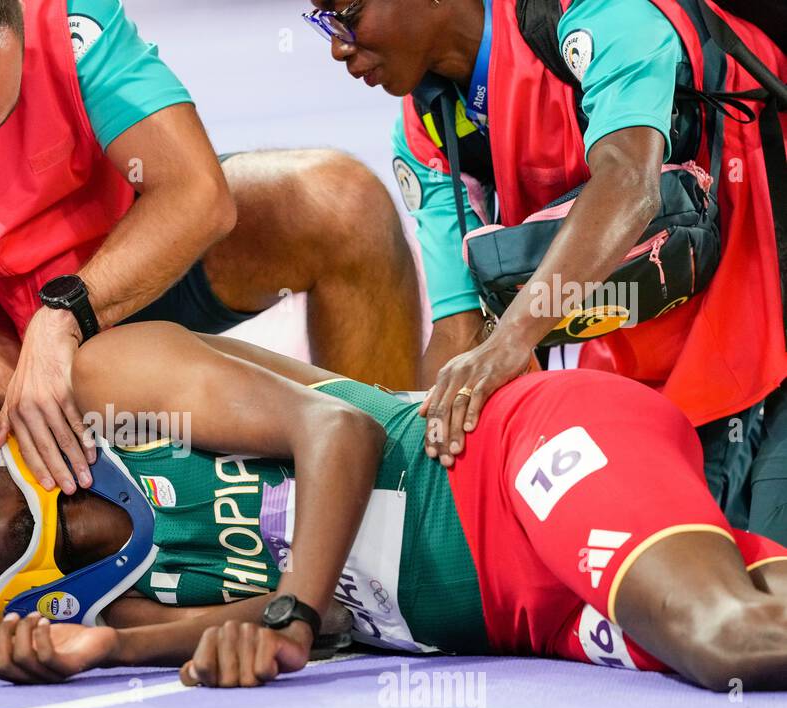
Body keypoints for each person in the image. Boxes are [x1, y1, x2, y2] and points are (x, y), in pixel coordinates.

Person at [0, 320, 787, 691]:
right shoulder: (103, 600)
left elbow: (341, 435)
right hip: (516, 614)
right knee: (757, 605)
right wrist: (108, 650)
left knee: (728, 642)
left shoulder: (106, 387)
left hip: (506, 460)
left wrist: (288, 618)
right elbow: (326, 613)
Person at [0, 0, 422, 497]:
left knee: (342, 205)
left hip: (114, 276)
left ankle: (398, 500)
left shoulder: (70, 24)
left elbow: (199, 195)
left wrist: (62, 319)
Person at [308, 0, 787, 538]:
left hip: (767, 322)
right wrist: (412, 492)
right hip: (651, 362)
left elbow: (629, 183)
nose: (337, 45)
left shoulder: (597, 13)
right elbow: (458, 330)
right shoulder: (426, 129)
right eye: (321, 21)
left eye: (346, 11)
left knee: (755, 583)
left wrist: (511, 338)